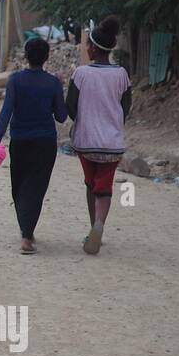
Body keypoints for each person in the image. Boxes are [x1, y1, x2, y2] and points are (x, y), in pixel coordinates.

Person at [0, 40, 67, 254]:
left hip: (20, 141)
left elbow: (6, 112)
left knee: (19, 186)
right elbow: (61, 116)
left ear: (26, 56)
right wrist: (59, 88)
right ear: (47, 57)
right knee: (36, 188)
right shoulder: (52, 83)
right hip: (45, 142)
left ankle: (26, 233)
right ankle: (26, 234)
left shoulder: (15, 80)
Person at [66, 16, 133, 256]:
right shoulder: (122, 74)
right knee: (104, 187)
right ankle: (99, 226)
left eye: (87, 45)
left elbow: (70, 108)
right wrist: (112, 123)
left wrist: (85, 120)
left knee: (90, 183)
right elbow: (126, 107)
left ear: (93, 48)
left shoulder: (81, 74)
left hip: (86, 142)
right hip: (112, 144)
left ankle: (91, 226)